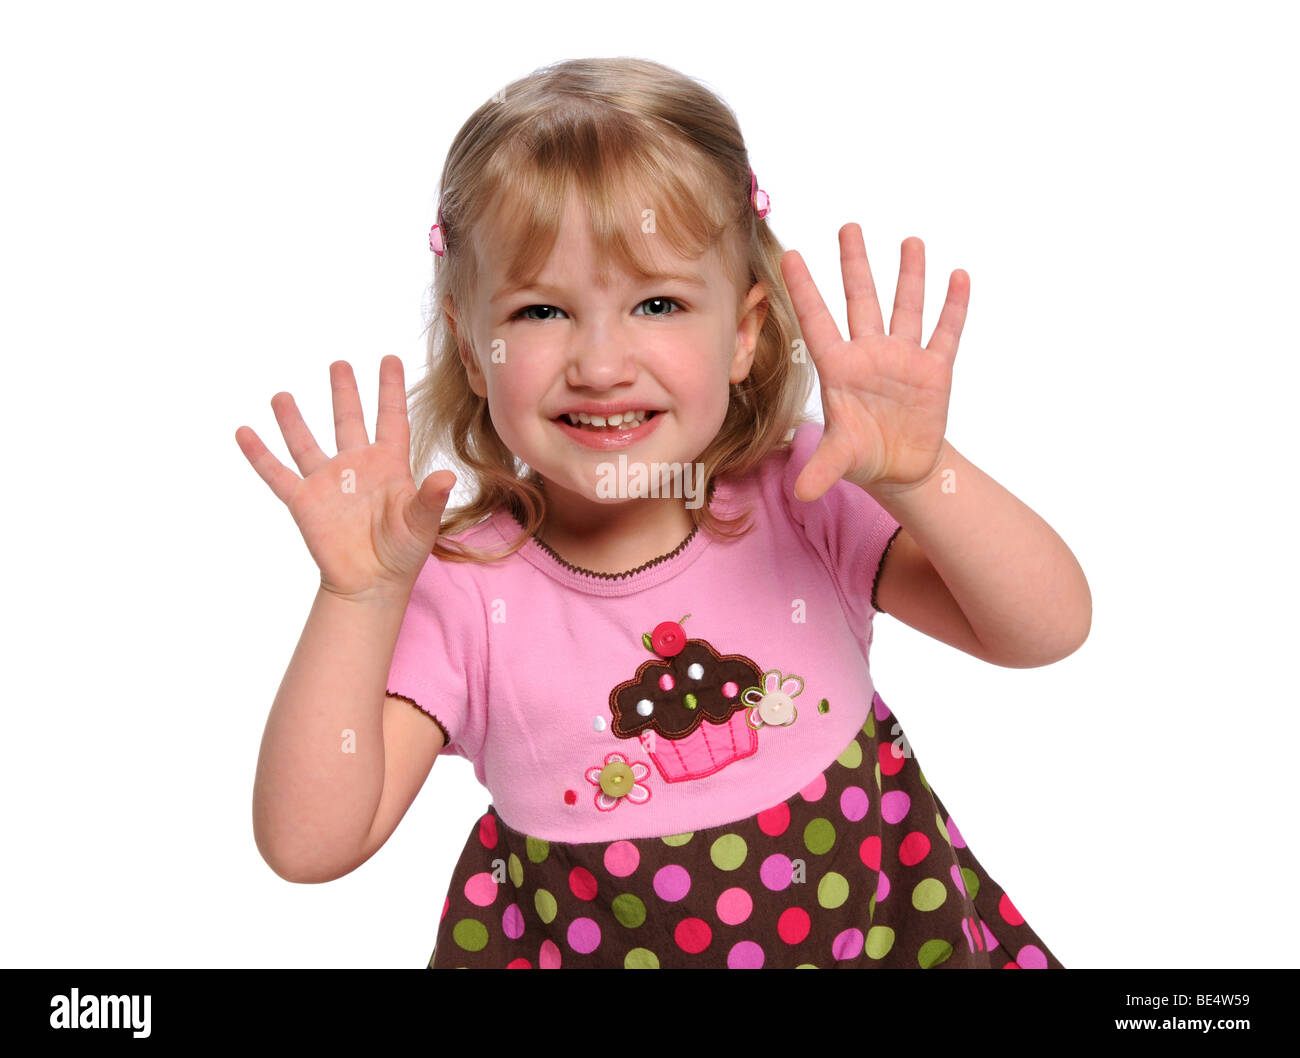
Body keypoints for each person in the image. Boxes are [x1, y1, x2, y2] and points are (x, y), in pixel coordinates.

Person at [238, 57, 1089, 969]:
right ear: (474, 353)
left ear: (745, 332)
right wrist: (358, 600)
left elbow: (1044, 630)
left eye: (657, 302)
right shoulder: (464, 588)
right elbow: (309, 845)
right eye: (540, 311)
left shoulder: (803, 493)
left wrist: (924, 479)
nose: (600, 363)